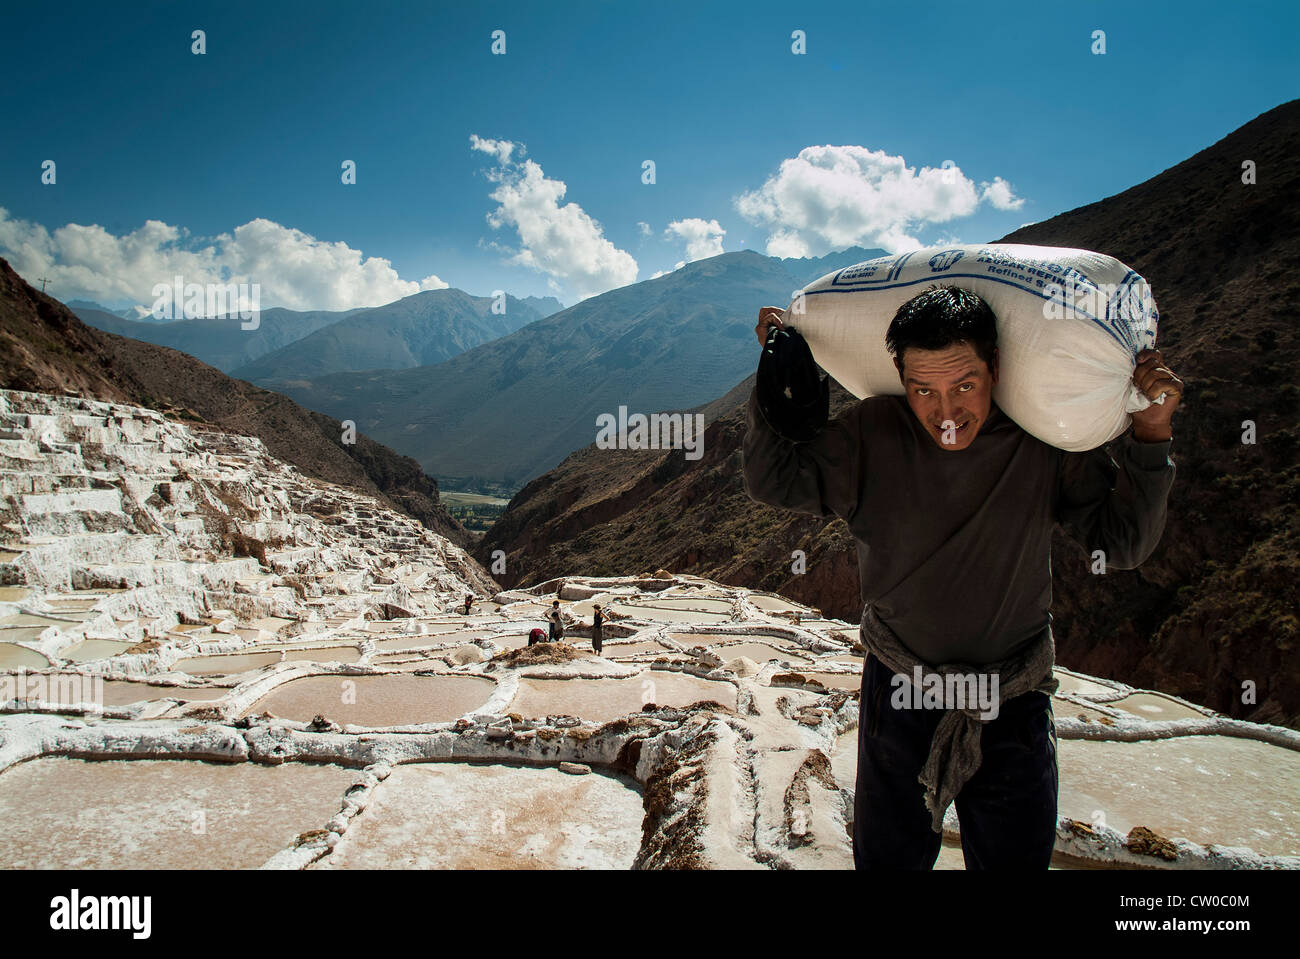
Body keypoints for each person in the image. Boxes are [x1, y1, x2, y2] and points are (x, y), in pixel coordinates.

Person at [742, 286, 1180, 870]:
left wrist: (1152, 433)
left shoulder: (1041, 436)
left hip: (1013, 703)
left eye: (964, 385)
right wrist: (776, 369)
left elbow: (1121, 543)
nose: (946, 414)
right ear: (900, 377)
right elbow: (771, 479)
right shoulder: (875, 433)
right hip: (899, 696)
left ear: (996, 367)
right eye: (923, 389)